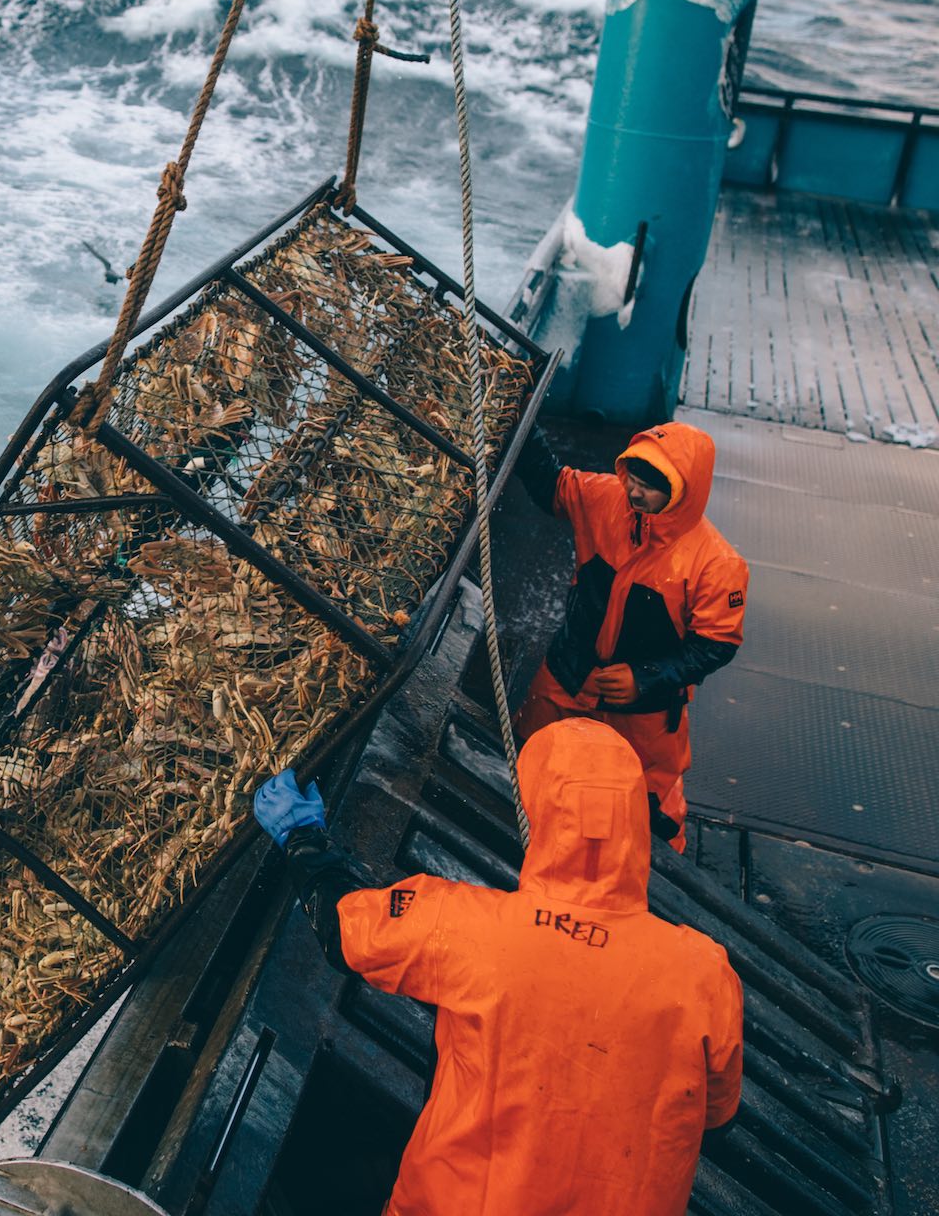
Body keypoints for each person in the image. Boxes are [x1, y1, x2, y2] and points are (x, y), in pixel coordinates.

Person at [254, 719, 743, 1216]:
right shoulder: (704, 974)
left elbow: (345, 931)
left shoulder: (466, 926)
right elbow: (715, 1122)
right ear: (635, 818)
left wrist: (301, 837)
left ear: (537, 812)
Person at [511, 420, 748, 851]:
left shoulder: (717, 565)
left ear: (683, 491)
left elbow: (717, 644)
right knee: (529, 765)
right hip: (567, 675)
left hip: (642, 712)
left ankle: (648, 875)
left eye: (649, 487)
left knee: (639, 808)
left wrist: (646, 677)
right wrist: (521, 418)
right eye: (632, 478)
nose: (635, 493)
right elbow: (552, 484)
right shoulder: (606, 498)